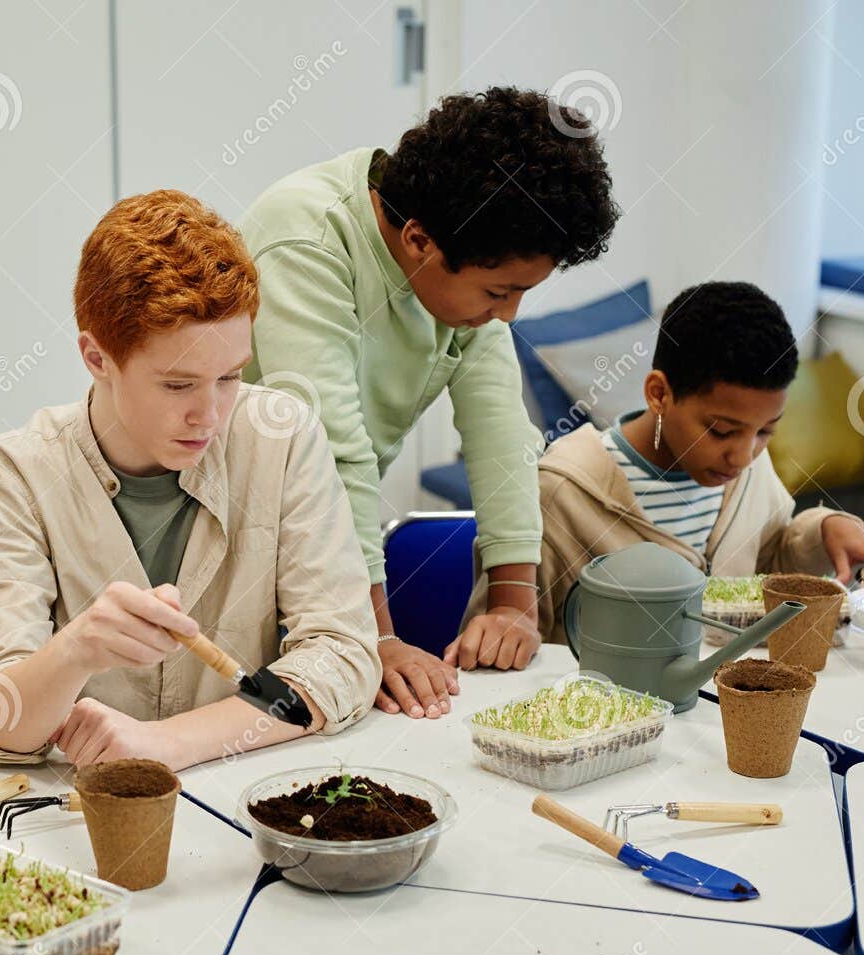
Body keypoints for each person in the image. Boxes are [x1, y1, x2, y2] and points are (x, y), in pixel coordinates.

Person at [0, 190, 379, 772]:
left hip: (238, 779)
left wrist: (172, 742)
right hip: (79, 803)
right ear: (97, 358)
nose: (210, 415)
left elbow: (342, 657)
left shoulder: (281, 438)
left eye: (230, 377)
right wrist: (76, 649)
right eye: (178, 385)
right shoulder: (14, 473)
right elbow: (1, 726)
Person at [241, 87, 620, 717]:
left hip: (323, 547)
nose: (509, 314)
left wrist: (514, 606)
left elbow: (502, 433)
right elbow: (333, 457)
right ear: (419, 240)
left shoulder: (456, 252)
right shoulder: (306, 241)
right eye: (498, 292)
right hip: (230, 544)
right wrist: (374, 640)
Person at [473, 281, 864, 642]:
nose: (743, 455)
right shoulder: (559, 492)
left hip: (729, 710)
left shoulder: (749, 469)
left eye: (766, 431)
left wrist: (823, 531)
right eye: (722, 431)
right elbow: (504, 638)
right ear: (659, 394)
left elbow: (767, 560)